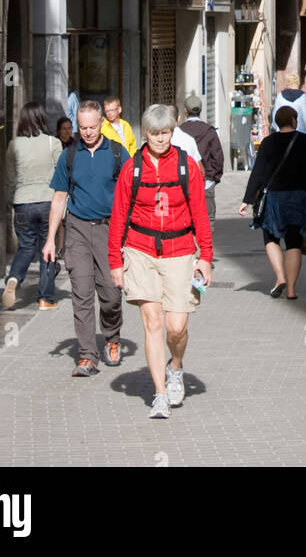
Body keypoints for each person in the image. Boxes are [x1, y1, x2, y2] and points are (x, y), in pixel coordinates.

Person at [108, 104, 213, 419]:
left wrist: (205, 256)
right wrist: (115, 260)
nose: (160, 139)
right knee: (152, 321)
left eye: (166, 133)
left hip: (180, 252)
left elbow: (200, 214)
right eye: (155, 133)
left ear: (172, 132)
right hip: (140, 250)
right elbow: (118, 218)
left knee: (176, 326)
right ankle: (160, 394)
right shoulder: (132, 169)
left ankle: (176, 366)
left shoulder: (186, 167)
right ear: (146, 133)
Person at [42, 100, 130, 376]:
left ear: (102, 123)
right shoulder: (69, 155)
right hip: (77, 229)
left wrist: (131, 237)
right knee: (81, 294)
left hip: (110, 230)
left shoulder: (118, 153)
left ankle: (112, 337)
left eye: (92, 127)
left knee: (111, 295)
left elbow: (131, 196)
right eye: (83, 127)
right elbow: (59, 197)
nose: (88, 132)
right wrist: (50, 239)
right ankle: (87, 356)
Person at [238, 105, 306, 300]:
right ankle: (291, 291)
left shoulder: (268, 142)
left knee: (270, 239)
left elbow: (258, 173)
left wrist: (247, 200)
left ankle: (280, 278)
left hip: (274, 199)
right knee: (294, 243)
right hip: (300, 198)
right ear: (294, 120)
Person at [2, 102, 63, 311]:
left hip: (22, 202)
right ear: (41, 118)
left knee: (26, 247)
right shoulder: (53, 143)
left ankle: (14, 279)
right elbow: (61, 176)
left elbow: (9, 179)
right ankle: (46, 298)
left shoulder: (14, 145)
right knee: (48, 247)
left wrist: (13, 200)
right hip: (47, 202)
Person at [180, 93, 224, 226]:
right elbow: (218, 158)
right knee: (207, 220)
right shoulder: (209, 131)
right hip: (206, 183)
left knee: (186, 220)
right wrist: (213, 178)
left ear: (185, 111)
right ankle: (205, 246)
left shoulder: (179, 131)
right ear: (201, 110)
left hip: (184, 183)